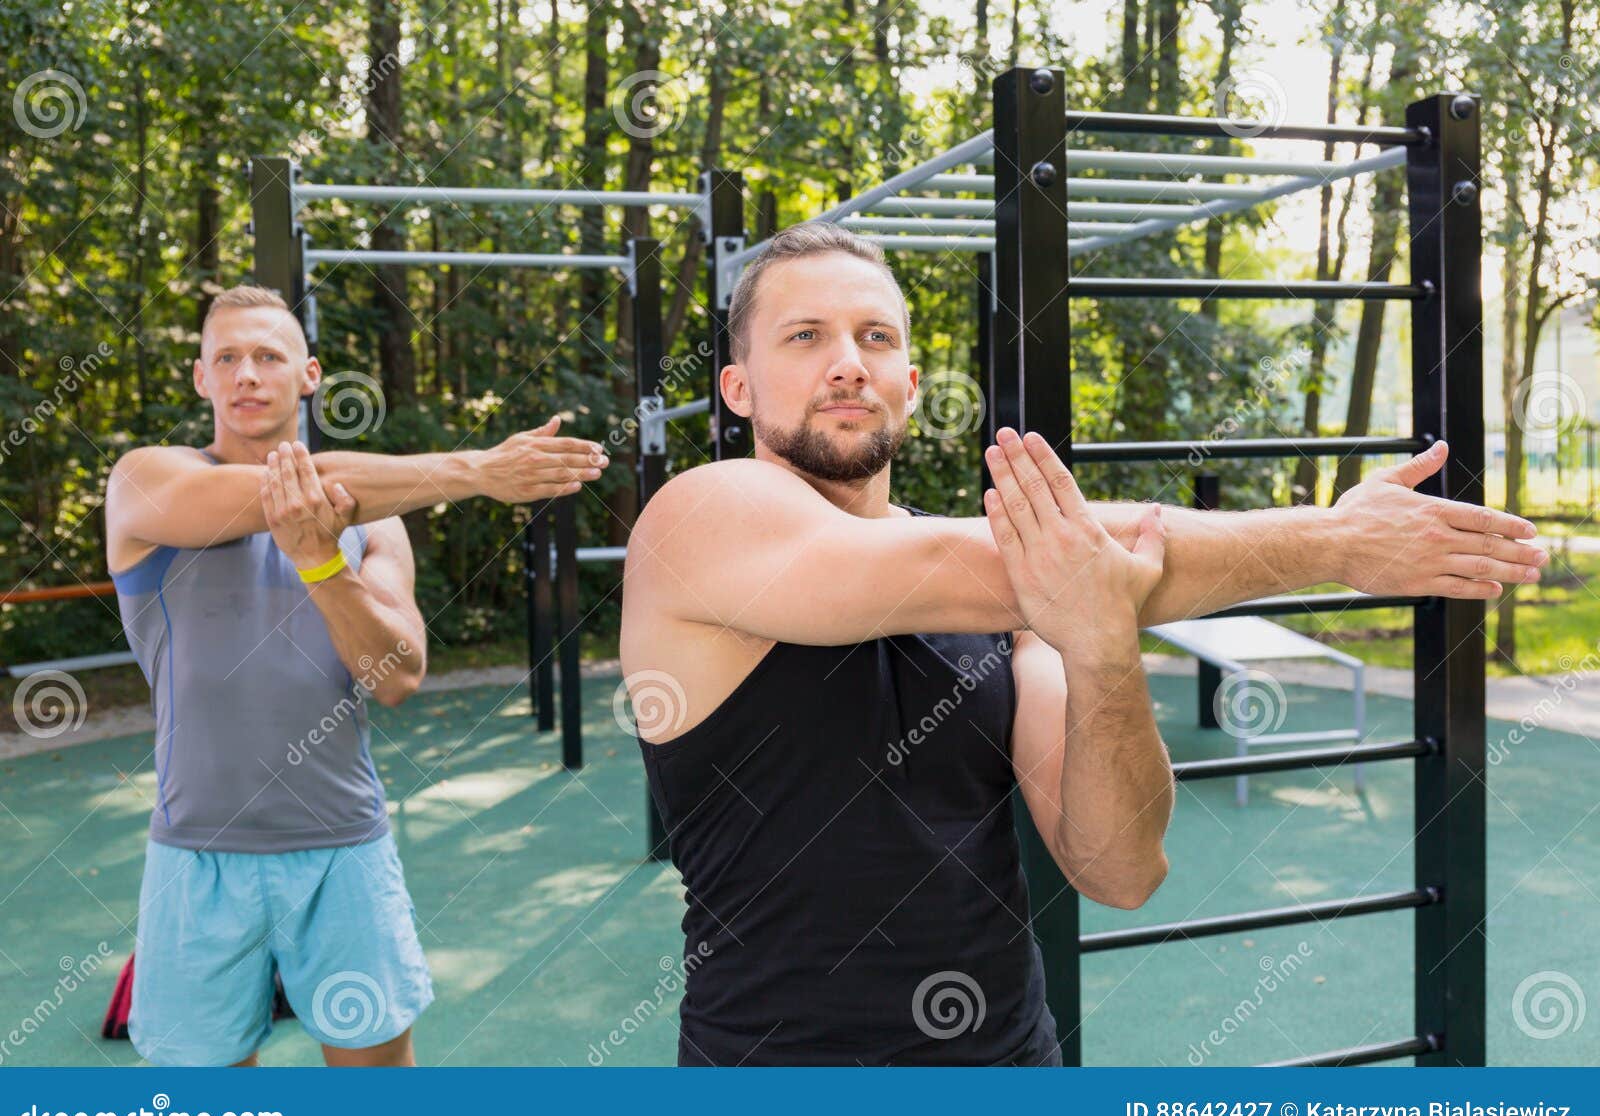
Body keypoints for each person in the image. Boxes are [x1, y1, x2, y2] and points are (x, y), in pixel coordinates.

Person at [619, 222, 1545, 1066]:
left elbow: (1121, 870)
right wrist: (1333, 542)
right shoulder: (699, 518)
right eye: (804, 336)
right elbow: (1038, 565)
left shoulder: (1001, 595)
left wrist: (1104, 649)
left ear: (911, 382)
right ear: (738, 387)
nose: (848, 364)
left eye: (876, 337)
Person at [105, 286, 609, 1066]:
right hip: (195, 854)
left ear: (309, 375)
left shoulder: (376, 520)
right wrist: (478, 468)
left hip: (343, 848)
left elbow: (398, 675)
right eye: (226, 357)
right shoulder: (147, 480)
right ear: (201, 377)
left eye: (268, 355)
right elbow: (288, 490)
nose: (246, 374)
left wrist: (320, 564)